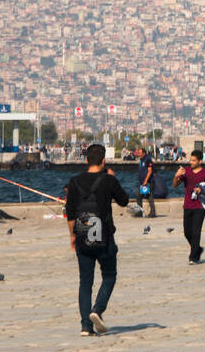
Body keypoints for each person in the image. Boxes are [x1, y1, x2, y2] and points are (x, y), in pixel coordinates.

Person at [64, 143, 129, 336]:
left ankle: (86, 326)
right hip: (104, 234)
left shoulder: (74, 181)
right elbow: (124, 201)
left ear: (86, 160)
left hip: (83, 233)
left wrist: (72, 235)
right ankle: (97, 310)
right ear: (103, 161)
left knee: (85, 281)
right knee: (109, 275)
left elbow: (70, 211)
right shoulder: (108, 180)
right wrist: (113, 180)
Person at [173, 150, 205, 263]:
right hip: (187, 205)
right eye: (190, 160)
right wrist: (176, 176)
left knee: (196, 232)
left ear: (200, 161)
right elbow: (175, 186)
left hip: (200, 206)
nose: (191, 162)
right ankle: (197, 249)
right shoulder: (186, 171)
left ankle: (193, 256)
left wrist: (201, 189)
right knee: (187, 232)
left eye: (194, 160)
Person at [135, 149, 156, 218]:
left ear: (144, 153)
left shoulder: (147, 159)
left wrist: (146, 181)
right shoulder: (141, 160)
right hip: (142, 183)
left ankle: (153, 213)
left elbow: (150, 171)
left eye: (140, 153)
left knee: (149, 197)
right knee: (139, 196)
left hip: (148, 182)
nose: (138, 154)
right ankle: (140, 212)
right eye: (138, 153)